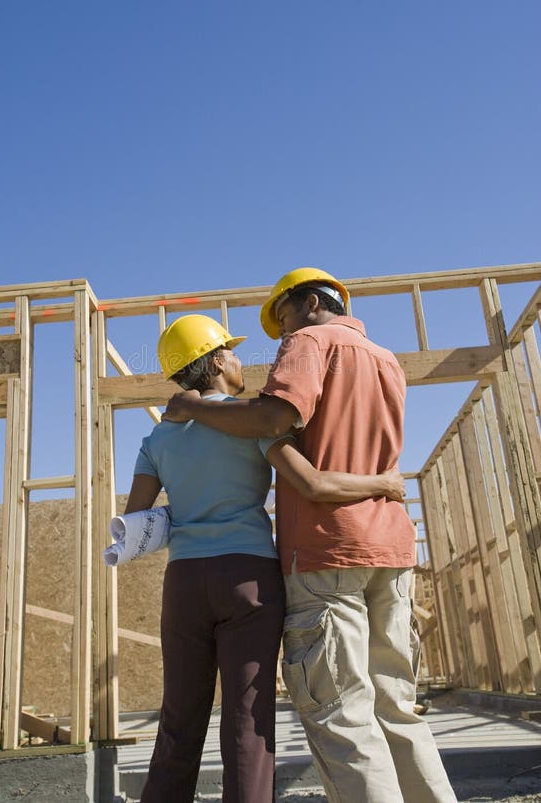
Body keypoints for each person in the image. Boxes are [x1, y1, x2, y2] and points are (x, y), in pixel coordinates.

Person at [163, 269, 457, 803]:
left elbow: (275, 418)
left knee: (341, 710)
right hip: (389, 547)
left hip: (327, 551)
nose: (280, 336)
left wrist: (195, 407)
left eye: (283, 319)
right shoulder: (386, 359)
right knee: (396, 704)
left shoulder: (308, 341)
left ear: (312, 304)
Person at [126, 313, 406, 803]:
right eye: (230, 352)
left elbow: (135, 522)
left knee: (179, 717)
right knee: (247, 721)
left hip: (185, 582)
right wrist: (384, 483)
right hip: (249, 580)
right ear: (215, 362)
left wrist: (193, 508)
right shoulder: (251, 421)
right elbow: (315, 484)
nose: (238, 360)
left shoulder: (157, 440)